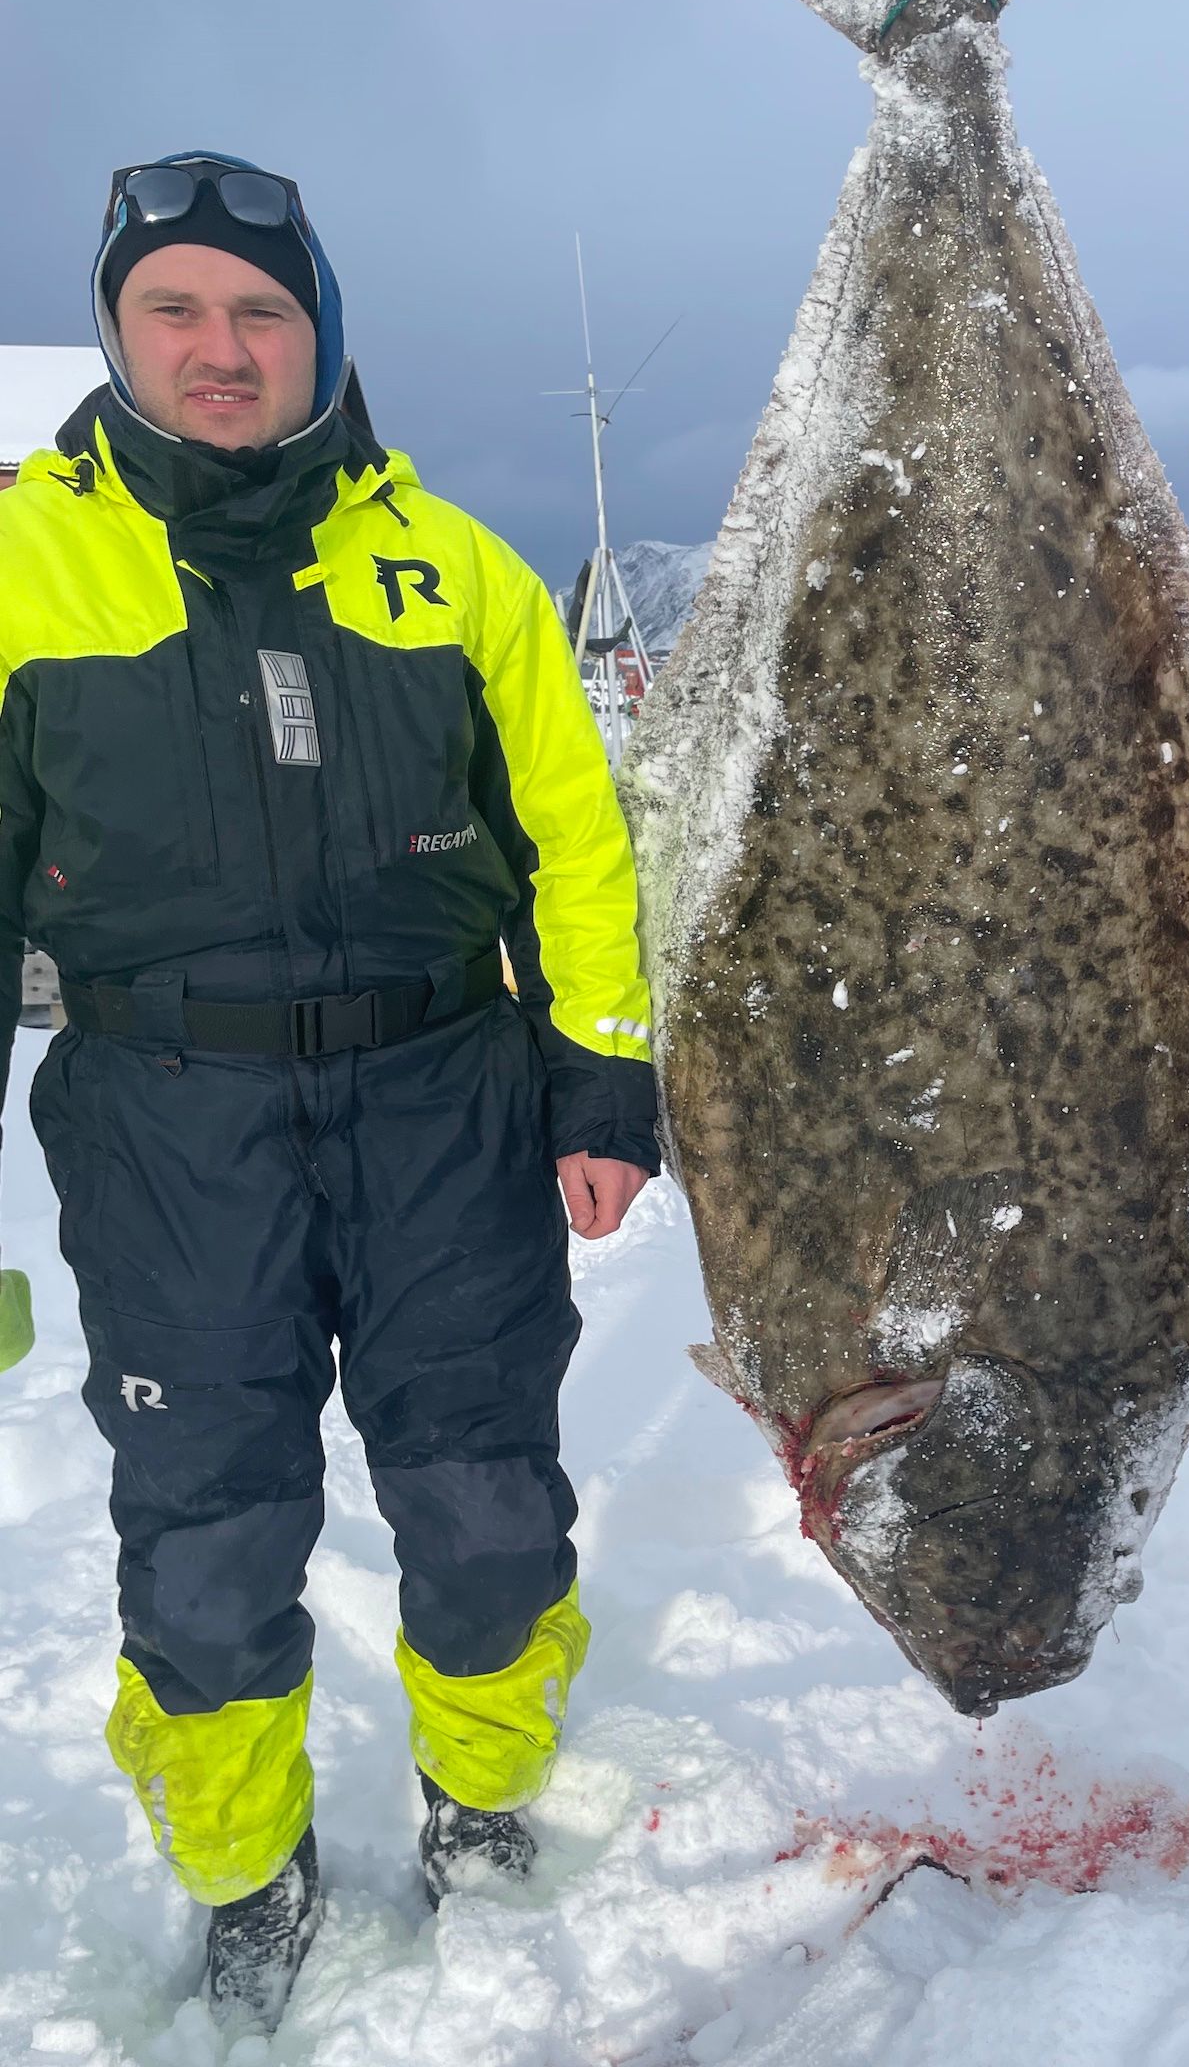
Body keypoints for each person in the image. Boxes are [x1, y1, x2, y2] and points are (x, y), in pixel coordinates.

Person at [0, 152, 660, 2029]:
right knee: (204, 1537)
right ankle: (243, 1866)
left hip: (442, 1099)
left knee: (484, 1507)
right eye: (175, 311)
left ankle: (479, 1798)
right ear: (118, 332)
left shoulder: (453, 564)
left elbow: (577, 839)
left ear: (323, 333)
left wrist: (600, 1072)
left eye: (261, 311)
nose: (223, 348)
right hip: (162, 1122)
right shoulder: (17, 563)